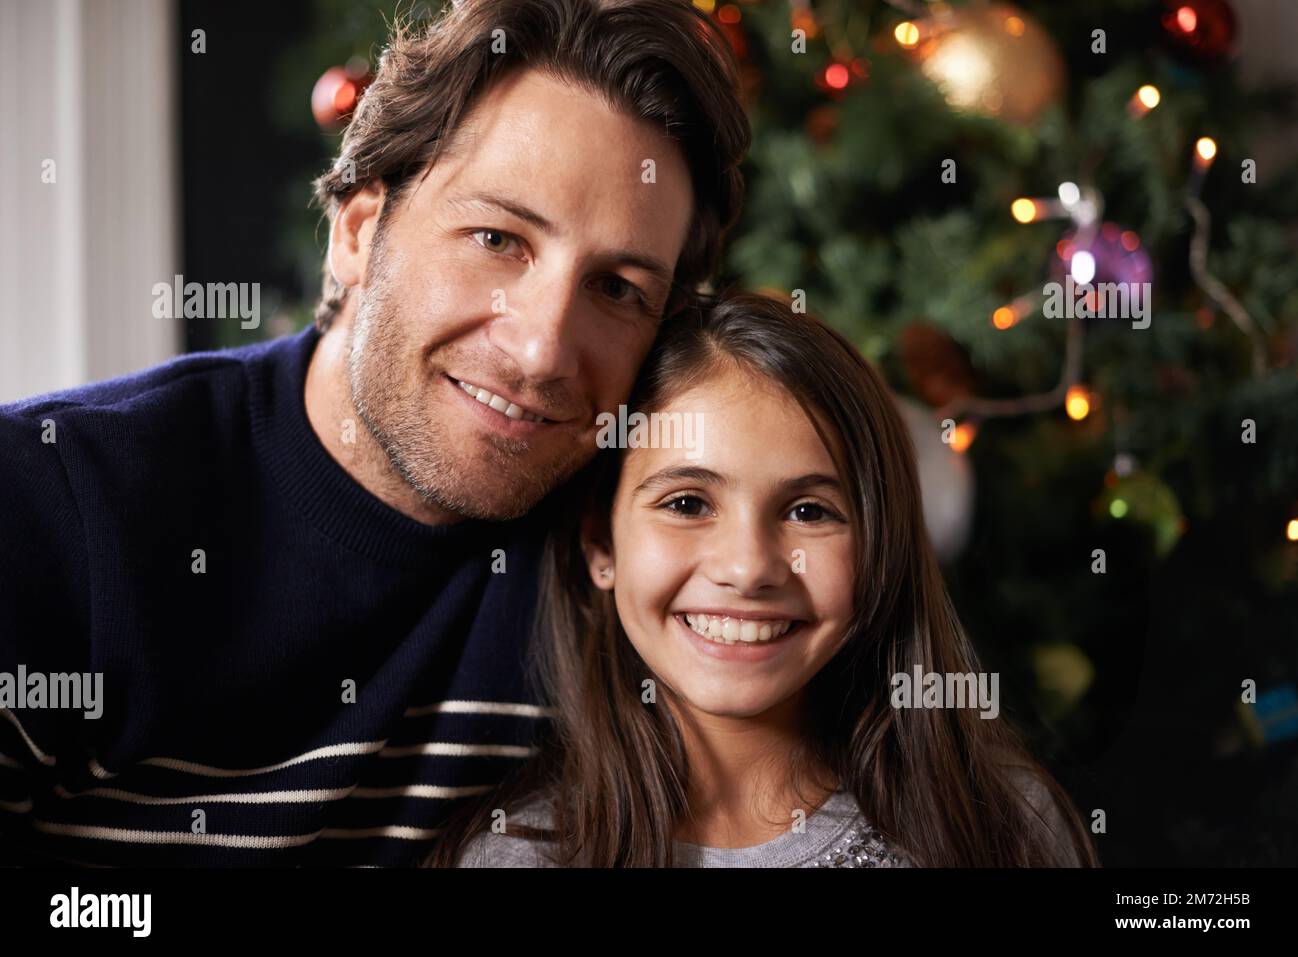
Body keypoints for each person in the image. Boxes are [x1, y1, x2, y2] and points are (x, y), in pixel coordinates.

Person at [0, 0, 748, 866]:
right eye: (497, 237)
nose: (543, 349)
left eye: (618, 289)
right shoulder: (48, 504)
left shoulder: (649, 556)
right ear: (357, 232)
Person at [431, 291, 1099, 867]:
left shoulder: (1000, 824)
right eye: (687, 503)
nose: (749, 567)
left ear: (879, 547)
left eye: (809, 510)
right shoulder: (513, 852)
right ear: (601, 541)